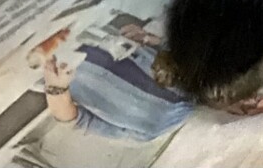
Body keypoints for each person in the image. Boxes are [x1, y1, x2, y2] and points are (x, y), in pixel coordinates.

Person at [41, 20, 193, 142]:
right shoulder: (196, 71)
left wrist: (56, 87)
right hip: (82, 24)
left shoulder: (151, 127)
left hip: (44, 60)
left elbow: (73, 119)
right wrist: (148, 37)